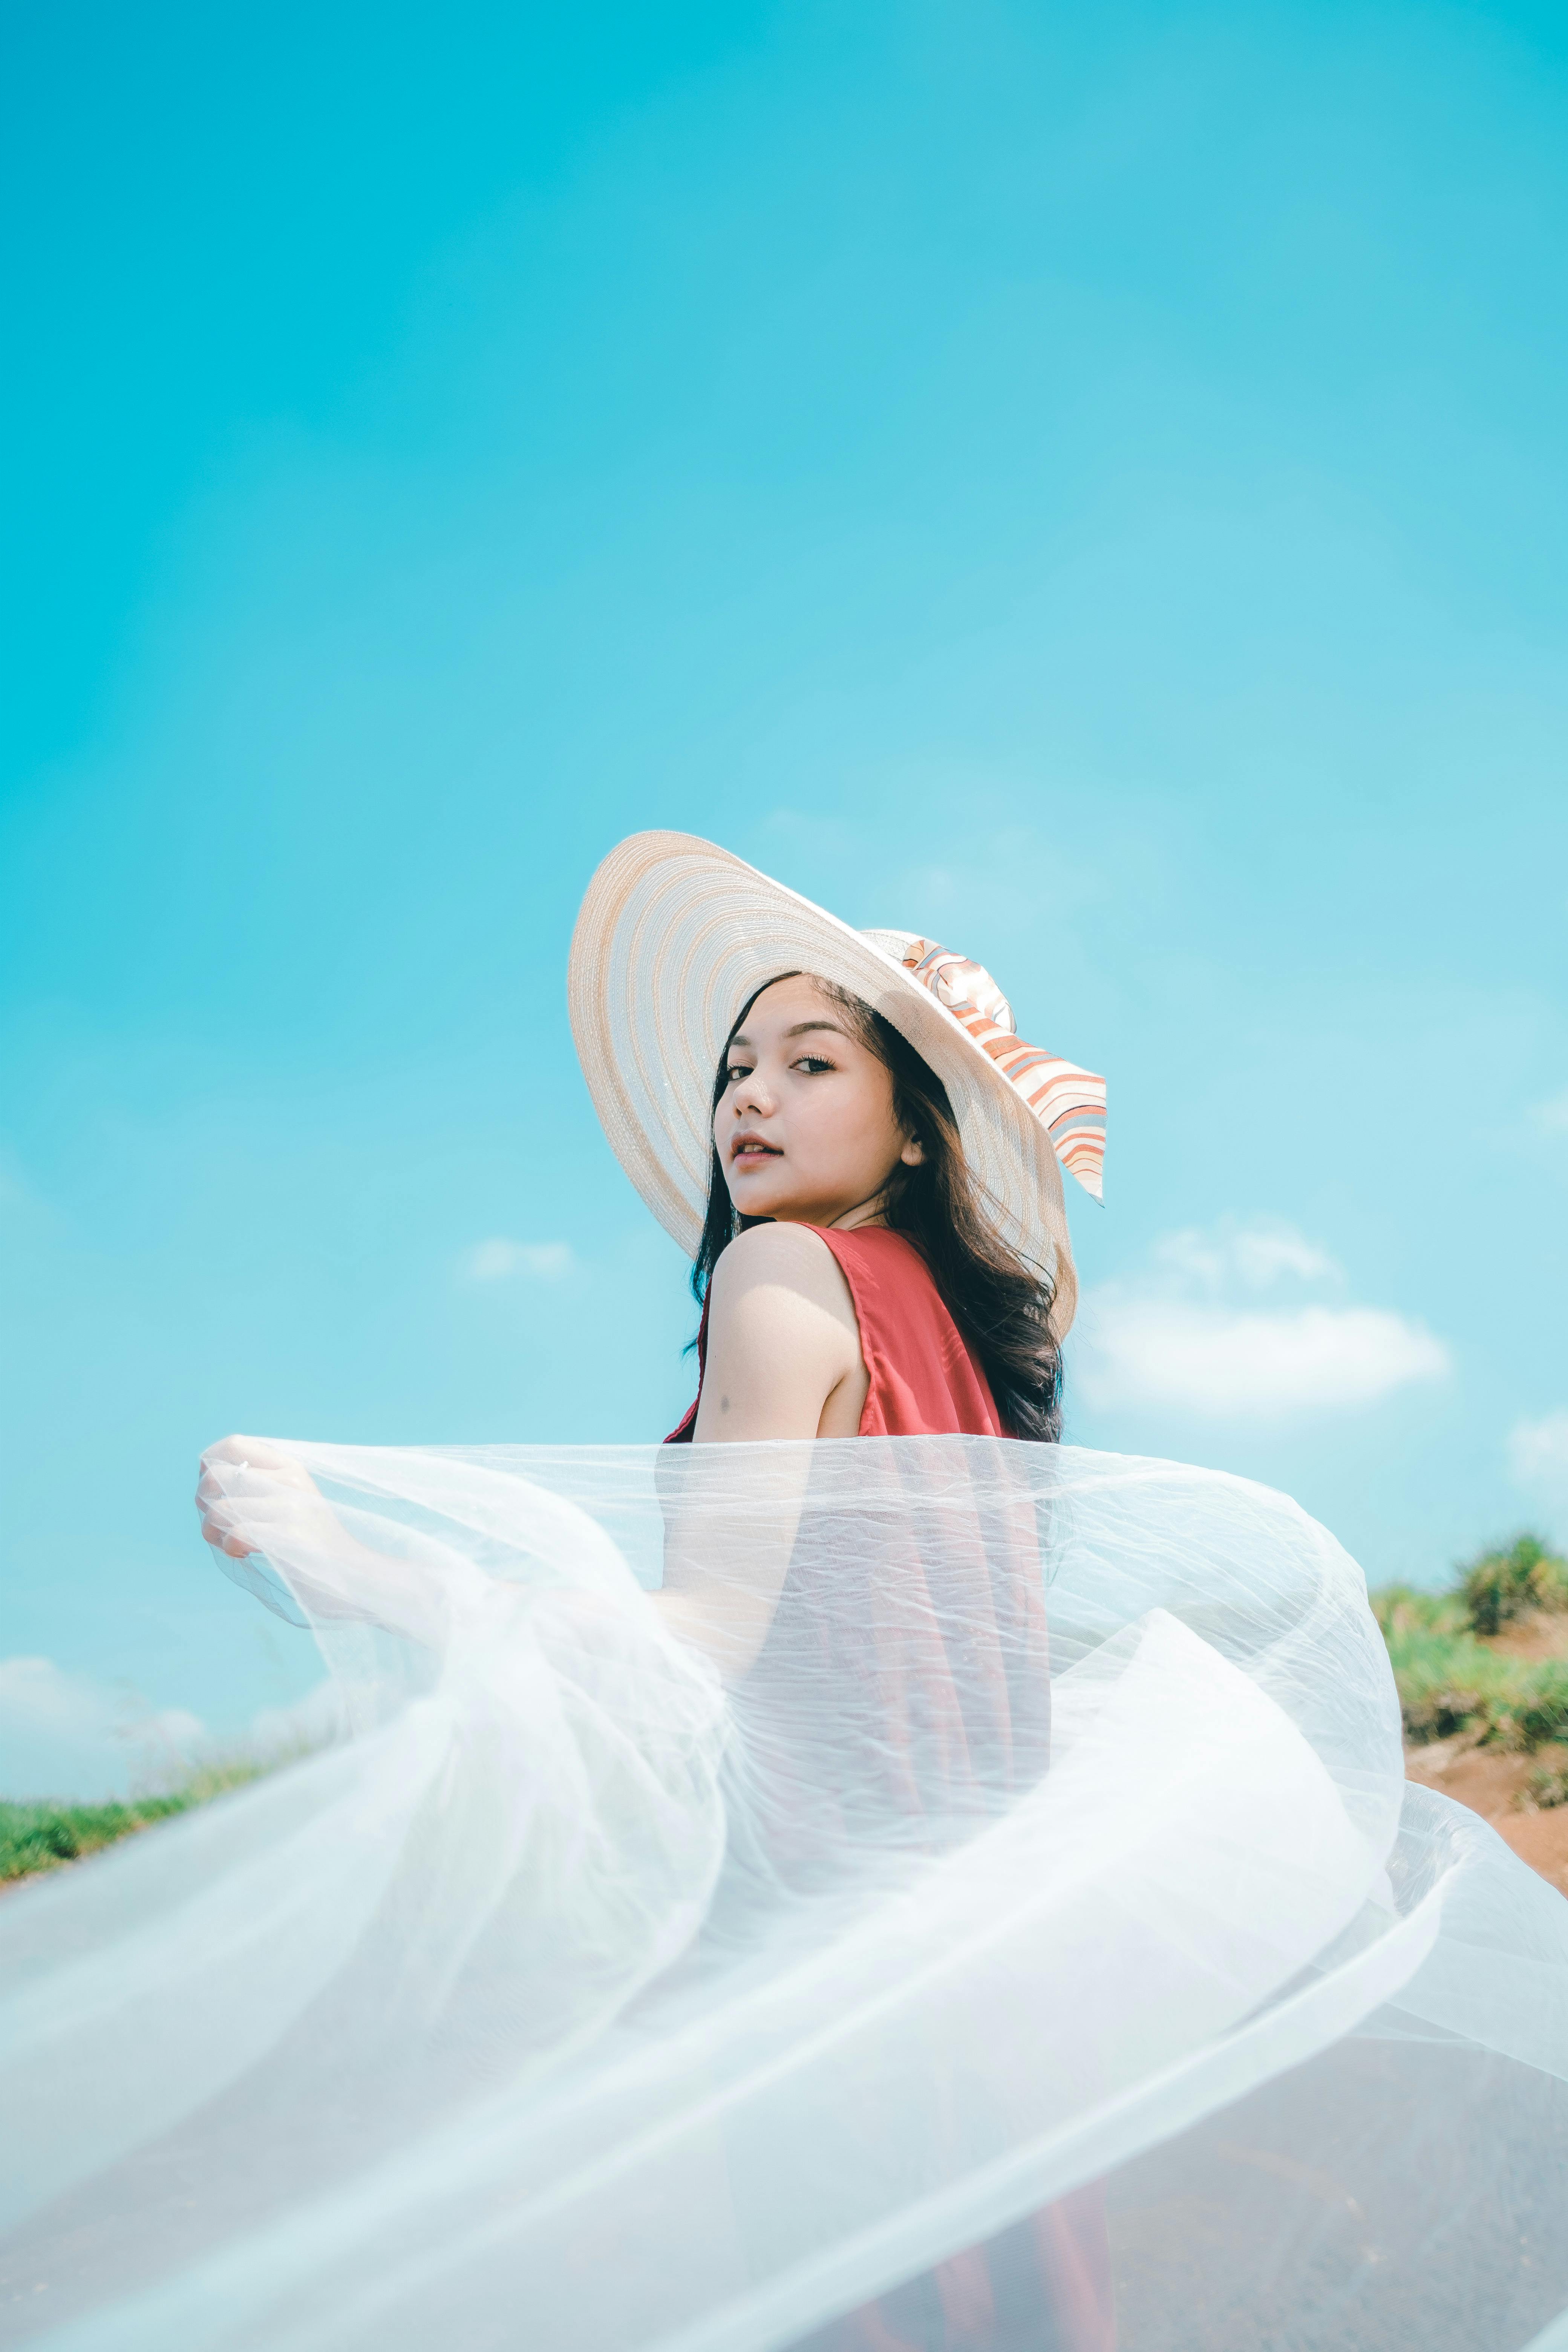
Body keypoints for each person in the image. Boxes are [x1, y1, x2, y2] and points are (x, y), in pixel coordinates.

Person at [5, 831, 1568, 2352]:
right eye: (735, 1067)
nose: (747, 1092)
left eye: (809, 1062)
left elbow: (693, 1650)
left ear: (912, 1130)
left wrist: (364, 1571)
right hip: (979, 1984)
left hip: (846, 1976)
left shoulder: (779, 1277)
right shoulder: (948, 1344)